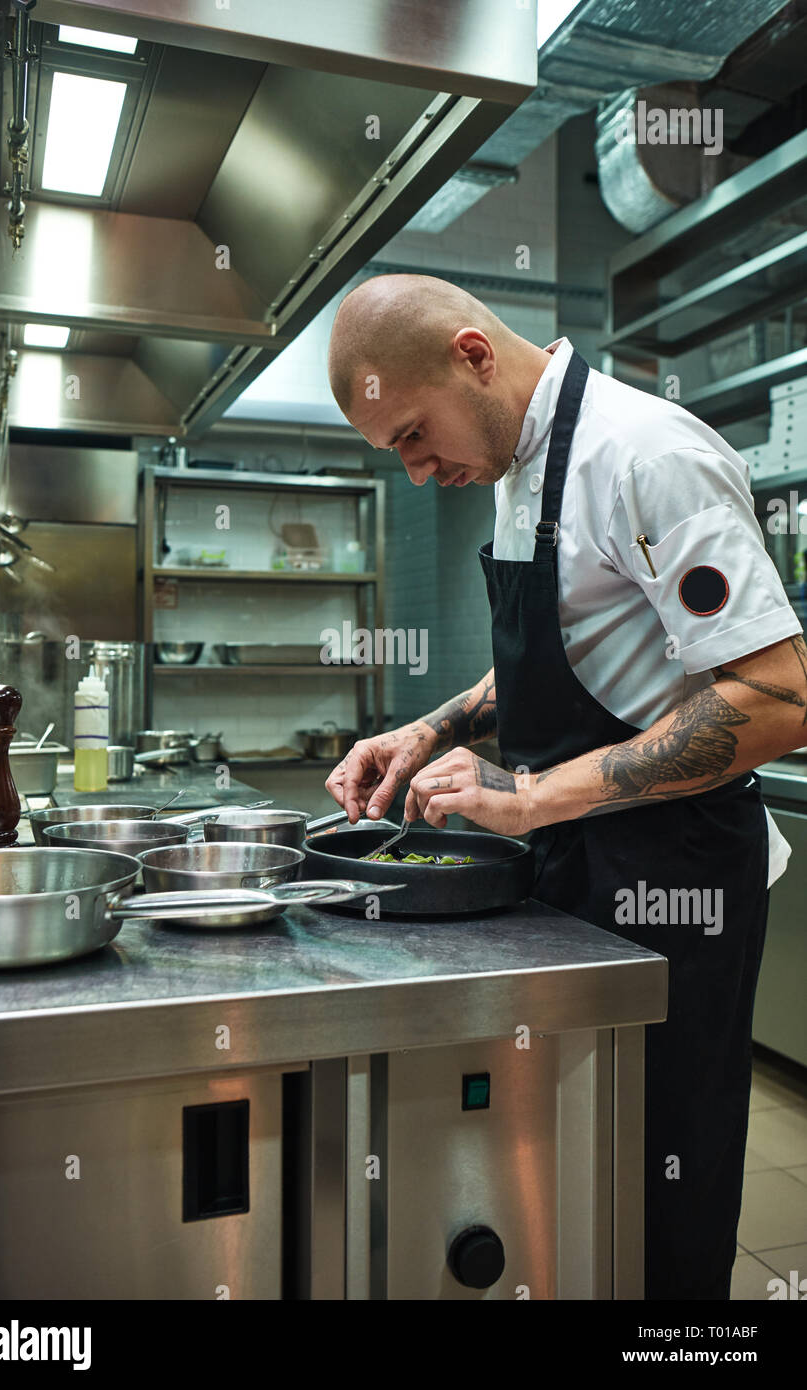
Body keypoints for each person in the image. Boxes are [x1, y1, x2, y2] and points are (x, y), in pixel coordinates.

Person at [324, 273, 807, 1300]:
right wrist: (428, 730)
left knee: (667, 1182)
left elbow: (774, 696)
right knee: (573, 1169)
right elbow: (561, 652)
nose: (415, 472)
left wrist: (537, 795)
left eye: (414, 436)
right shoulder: (517, 465)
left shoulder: (649, 454)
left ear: (473, 355)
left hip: (682, 880)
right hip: (581, 864)